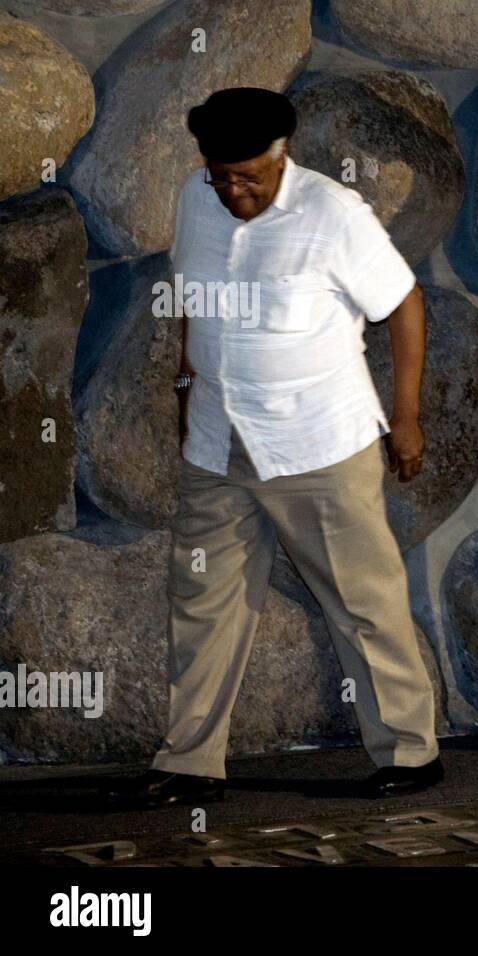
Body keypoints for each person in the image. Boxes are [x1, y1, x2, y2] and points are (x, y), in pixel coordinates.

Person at [103, 87, 443, 808]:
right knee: (203, 603)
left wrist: (405, 419)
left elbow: (404, 304)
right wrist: (188, 384)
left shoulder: (332, 215)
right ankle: (191, 760)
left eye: (246, 176)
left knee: (362, 600)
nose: (230, 189)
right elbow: (195, 302)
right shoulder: (197, 200)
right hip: (218, 444)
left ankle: (411, 753)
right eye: (219, 173)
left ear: (281, 153)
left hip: (318, 444)